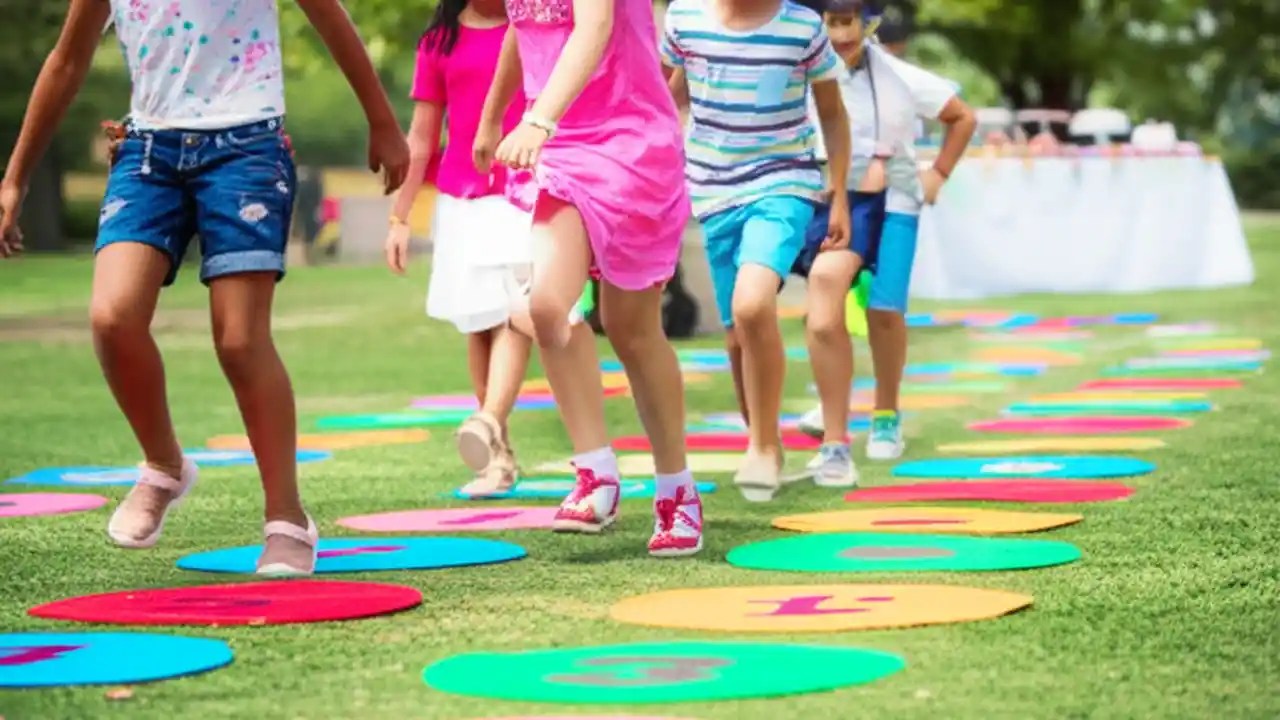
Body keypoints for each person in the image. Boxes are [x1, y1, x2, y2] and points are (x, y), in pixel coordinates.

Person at [0, 0, 409, 576]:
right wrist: (14, 178)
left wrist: (382, 120)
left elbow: (329, 14)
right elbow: (67, 61)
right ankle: (165, 465)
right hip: (148, 151)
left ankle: (287, 520)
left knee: (241, 340)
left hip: (246, 147)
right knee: (112, 319)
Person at [473, 0, 702, 556]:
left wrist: (537, 118)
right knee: (549, 307)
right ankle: (596, 473)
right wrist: (490, 117)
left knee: (631, 328)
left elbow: (594, 27)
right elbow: (520, 29)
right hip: (561, 150)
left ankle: (678, 490)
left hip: (629, 142)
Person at [662, 0, 852, 501]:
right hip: (712, 191)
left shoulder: (802, 28)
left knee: (752, 304)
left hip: (783, 184)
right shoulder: (685, 19)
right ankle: (761, 440)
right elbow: (663, 97)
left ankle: (765, 446)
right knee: (735, 335)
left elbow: (832, 115)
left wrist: (839, 195)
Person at [794, 0, 976, 463]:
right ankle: (832, 415)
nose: (842, 33)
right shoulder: (805, 72)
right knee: (823, 301)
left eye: (850, 21)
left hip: (895, 201)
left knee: (884, 310)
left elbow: (962, 116)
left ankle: (886, 414)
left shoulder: (898, 76)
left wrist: (936, 175)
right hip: (839, 201)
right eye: (832, 22)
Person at [384, 0, 533, 496]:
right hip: (462, 198)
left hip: (525, 190)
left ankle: (488, 421)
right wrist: (400, 216)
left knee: (516, 312)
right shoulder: (439, 42)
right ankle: (498, 455)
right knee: (478, 322)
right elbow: (422, 138)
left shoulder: (532, 25)